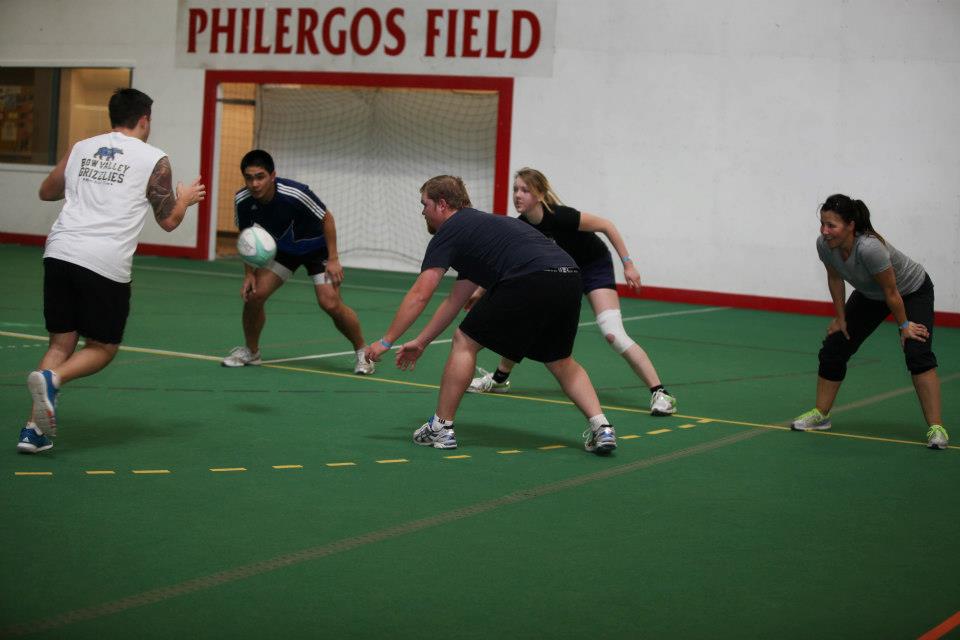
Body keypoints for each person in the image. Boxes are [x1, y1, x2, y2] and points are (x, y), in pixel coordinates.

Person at [364, 175, 617, 454]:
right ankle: (602, 428)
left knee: (464, 341)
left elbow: (420, 294)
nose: (422, 211)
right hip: (568, 276)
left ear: (442, 205)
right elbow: (454, 300)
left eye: (424, 204)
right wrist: (422, 341)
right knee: (560, 360)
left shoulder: (450, 231)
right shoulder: (482, 228)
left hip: (529, 276)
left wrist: (385, 341)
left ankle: (441, 427)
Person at [18, 88, 206, 454]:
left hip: (59, 253)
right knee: (103, 347)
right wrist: (184, 199)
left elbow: (47, 191)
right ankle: (52, 379)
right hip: (104, 260)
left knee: (61, 342)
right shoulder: (155, 159)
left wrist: (86, 179)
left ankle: (33, 431)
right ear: (144, 120)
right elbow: (168, 220)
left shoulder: (81, 148)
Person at [466, 168, 677, 416]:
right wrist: (480, 290)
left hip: (593, 266)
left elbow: (607, 226)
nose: (517, 195)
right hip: (563, 273)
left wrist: (628, 264)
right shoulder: (522, 227)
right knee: (528, 320)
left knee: (613, 334)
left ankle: (661, 394)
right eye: (515, 189)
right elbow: (505, 263)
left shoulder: (562, 217)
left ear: (540, 194)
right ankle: (500, 380)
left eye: (525, 190)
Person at [791, 194, 948, 450]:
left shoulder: (870, 248)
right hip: (871, 294)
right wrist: (841, 319)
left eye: (832, 225)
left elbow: (892, 292)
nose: (825, 231)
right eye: (822, 224)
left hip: (910, 290)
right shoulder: (824, 245)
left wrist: (904, 326)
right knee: (834, 347)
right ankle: (821, 414)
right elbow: (835, 279)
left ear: (850, 225)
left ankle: (936, 428)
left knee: (916, 350)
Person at [221, 149, 374, 375]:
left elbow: (327, 218)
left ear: (272, 175)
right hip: (283, 251)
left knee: (330, 302)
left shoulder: (296, 193)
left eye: (260, 176)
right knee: (254, 295)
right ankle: (251, 352)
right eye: (249, 177)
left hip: (316, 249)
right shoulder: (242, 200)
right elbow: (247, 239)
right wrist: (249, 274)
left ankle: (364, 353)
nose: (254, 183)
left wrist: (333, 259)